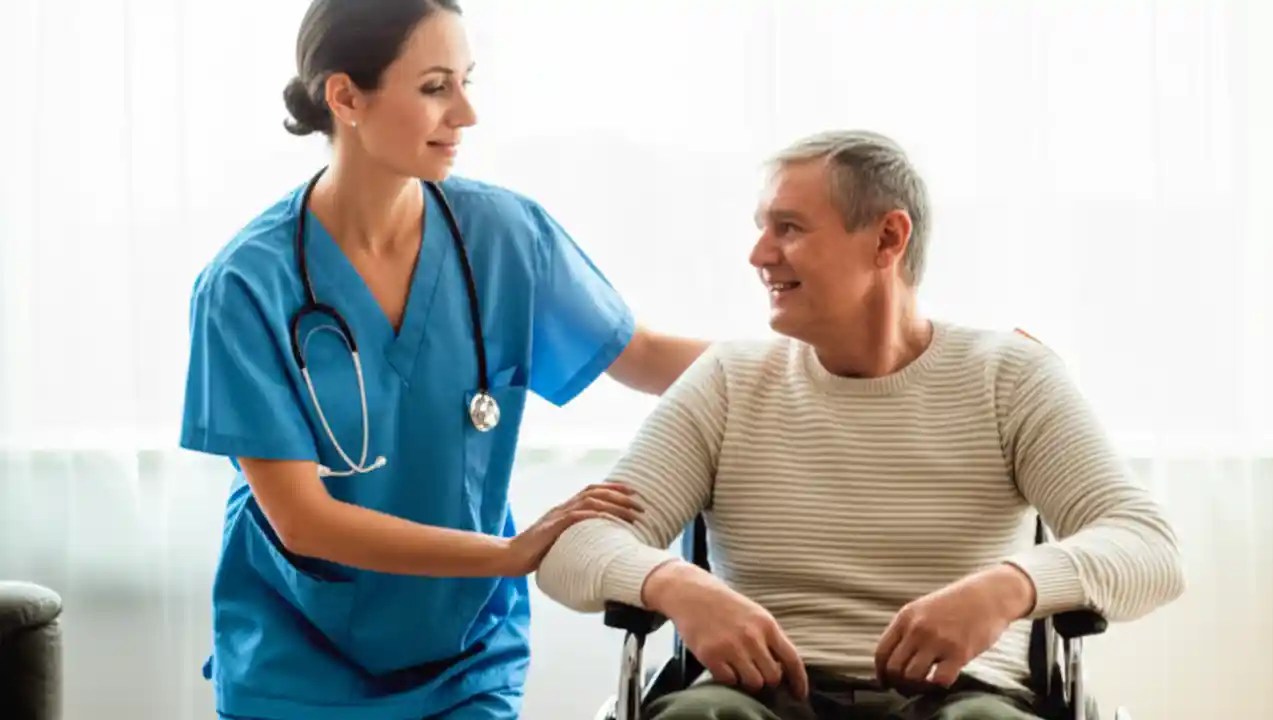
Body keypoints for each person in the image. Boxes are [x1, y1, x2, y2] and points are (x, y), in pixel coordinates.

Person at [536, 130, 1186, 720]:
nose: (759, 254)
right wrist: (677, 584)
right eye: (763, 228)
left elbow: (1148, 546)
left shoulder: (1009, 378)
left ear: (887, 239)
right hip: (753, 697)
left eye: (788, 228)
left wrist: (1008, 587)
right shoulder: (727, 381)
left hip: (965, 698)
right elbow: (573, 545)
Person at [178, 1, 708, 718]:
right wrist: (511, 554)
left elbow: (640, 356)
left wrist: (809, 359)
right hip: (294, 654)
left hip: (464, 652)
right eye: (435, 87)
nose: (466, 113)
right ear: (345, 98)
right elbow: (302, 520)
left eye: (466, 81)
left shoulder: (505, 236)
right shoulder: (246, 285)